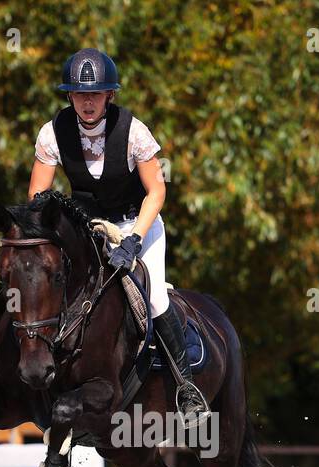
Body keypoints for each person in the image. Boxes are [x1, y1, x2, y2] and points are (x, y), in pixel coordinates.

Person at [28, 47, 209, 422]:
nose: (88, 102)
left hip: (136, 223)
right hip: (89, 228)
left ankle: (187, 389)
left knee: (155, 298)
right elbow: (36, 198)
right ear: (70, 96)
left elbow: (157, 191)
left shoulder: (133, 132)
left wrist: (134, 241)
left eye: (95, 94)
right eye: (80, 94)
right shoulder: (52, 134)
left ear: (110, 94)